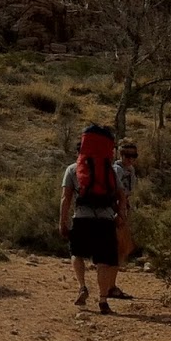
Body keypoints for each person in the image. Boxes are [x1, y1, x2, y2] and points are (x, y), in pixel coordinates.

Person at [59, 126, 127, 314]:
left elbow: (66, 198)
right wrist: (121, 215)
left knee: (77, 253)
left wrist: (62, 222)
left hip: (82, 218)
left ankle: (82, 286)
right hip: (105, 221)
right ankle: (103, 300)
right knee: (104, 261)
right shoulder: (110, 171)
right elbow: (122, 195)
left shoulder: (72, 169)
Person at [108, 139, 139, 299]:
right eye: (127, 155)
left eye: (134, 155)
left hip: (124, 209)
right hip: (116, 211)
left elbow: (129, 192)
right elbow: (114, 193)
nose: (130, 159)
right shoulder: (116, 170)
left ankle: (110, 284)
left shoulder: (130, 170)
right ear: (120, 154)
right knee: (118, 248)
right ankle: (109, 286)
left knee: (123, 248)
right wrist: (118, 212)